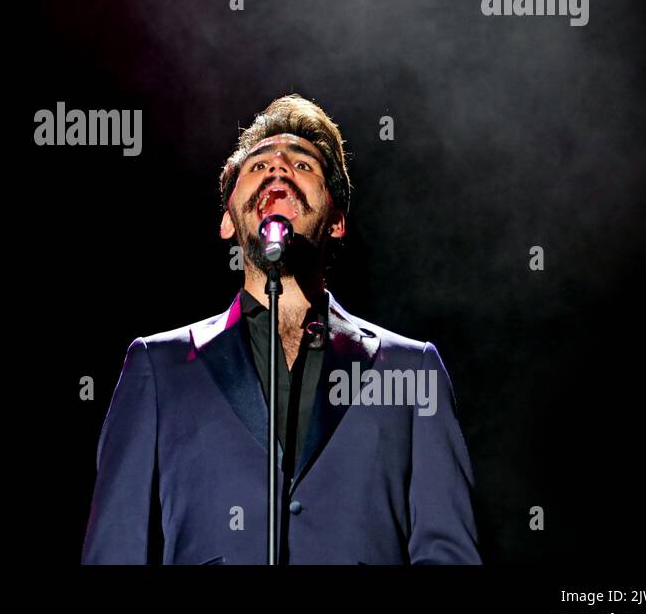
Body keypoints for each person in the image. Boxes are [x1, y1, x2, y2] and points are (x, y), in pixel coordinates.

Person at [81, 94, 482, 564]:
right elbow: (115, 552)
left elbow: (449, 555)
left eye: (303, 165)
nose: (278, 169)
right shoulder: (157, 365)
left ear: (335, 221)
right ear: (228, 222)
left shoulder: (414, 370)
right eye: (258, 165)